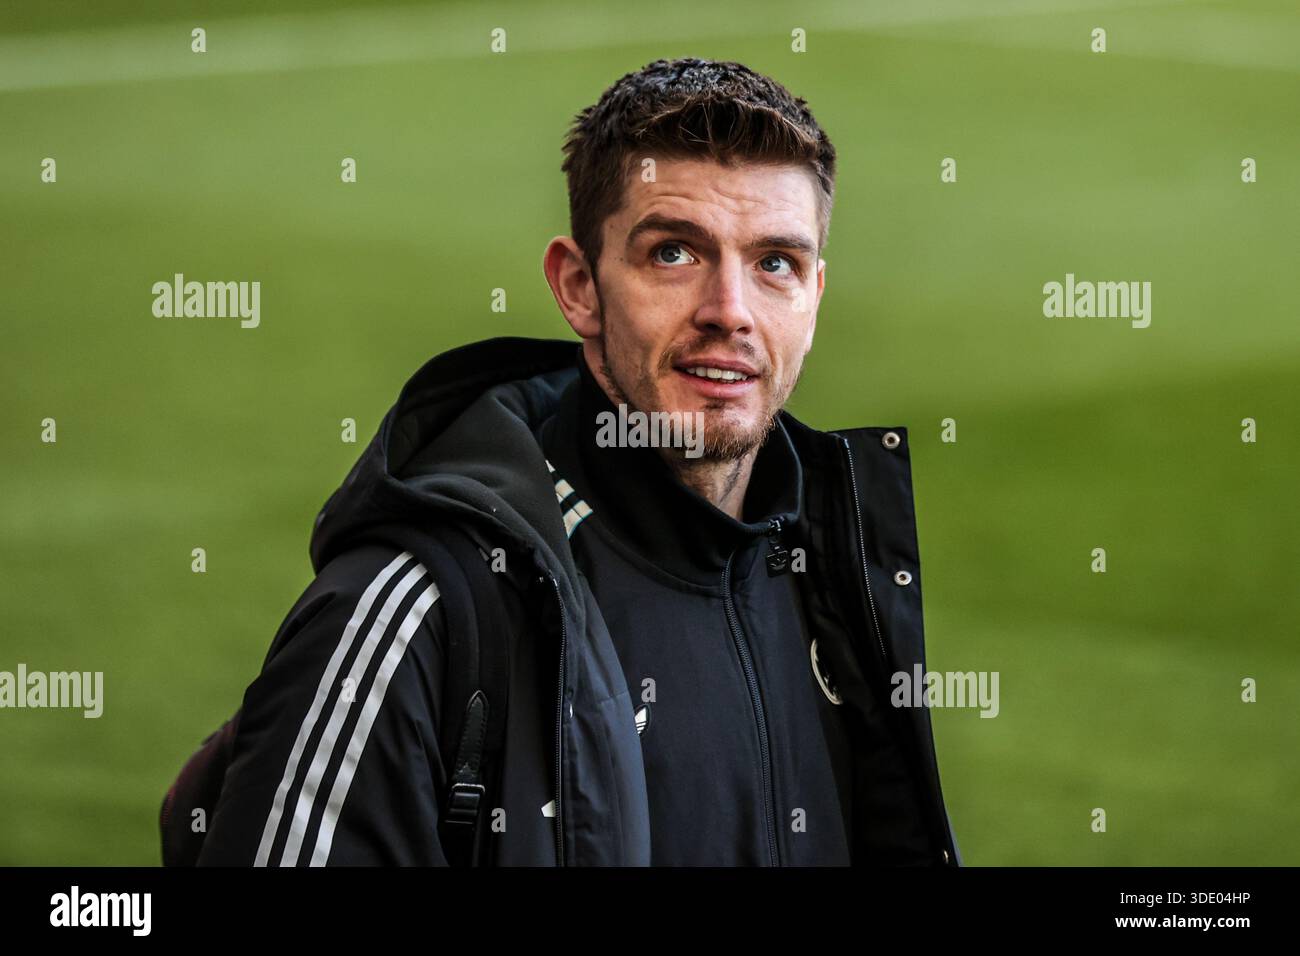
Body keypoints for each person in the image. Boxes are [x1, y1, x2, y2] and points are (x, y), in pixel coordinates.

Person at [192, 57, 961, 866]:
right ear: (579, 286)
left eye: (776, 263)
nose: (730, 312)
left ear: (814, 294)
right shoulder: (423, 610)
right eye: (674, 253)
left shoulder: (832, 581)